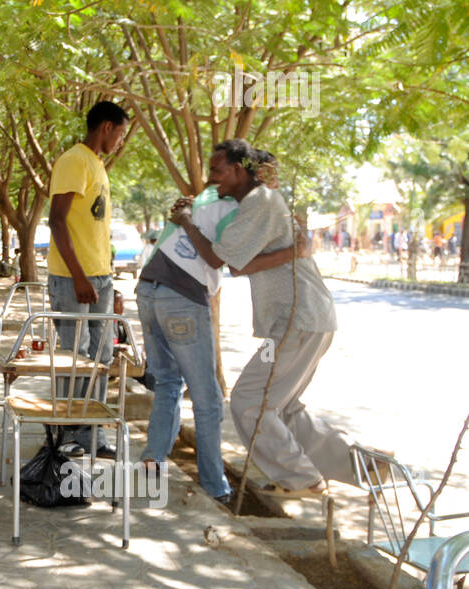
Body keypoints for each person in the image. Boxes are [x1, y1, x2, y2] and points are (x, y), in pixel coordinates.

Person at [170, 140, 348, 496]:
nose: (212, 179)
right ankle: (363, 465)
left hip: (299, 323)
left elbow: (224, 260)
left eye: (218, 171)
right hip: (293, 326)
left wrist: (187, 223)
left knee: (249, 401)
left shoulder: (261, 201)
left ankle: (302, 479)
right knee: (282, 407)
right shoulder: (253, 203)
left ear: (239, 170)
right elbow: (241, 263)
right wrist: (290, 253)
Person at [135, 151, 305, 503]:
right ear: (254, 175)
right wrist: (294, 253)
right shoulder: (246, 206)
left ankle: (151, 464)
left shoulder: (207, 197)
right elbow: (230, 262)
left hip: (148, 289)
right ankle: (215, 487)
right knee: (208, 399)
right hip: (181, 295)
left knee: (167, 382)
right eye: (270, 176)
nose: (274, 184)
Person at [46, 100, 130, 458]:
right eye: (121, 133)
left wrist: (107, 283)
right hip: (72, 278)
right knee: (75, 358)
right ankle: (66, 435)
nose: (121, 141)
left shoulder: (97, 165)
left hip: (100, 278)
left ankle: (92, 433)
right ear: (106, 127)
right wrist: (80, 277)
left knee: (101, 356)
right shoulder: (74, 161)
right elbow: (57, 220)